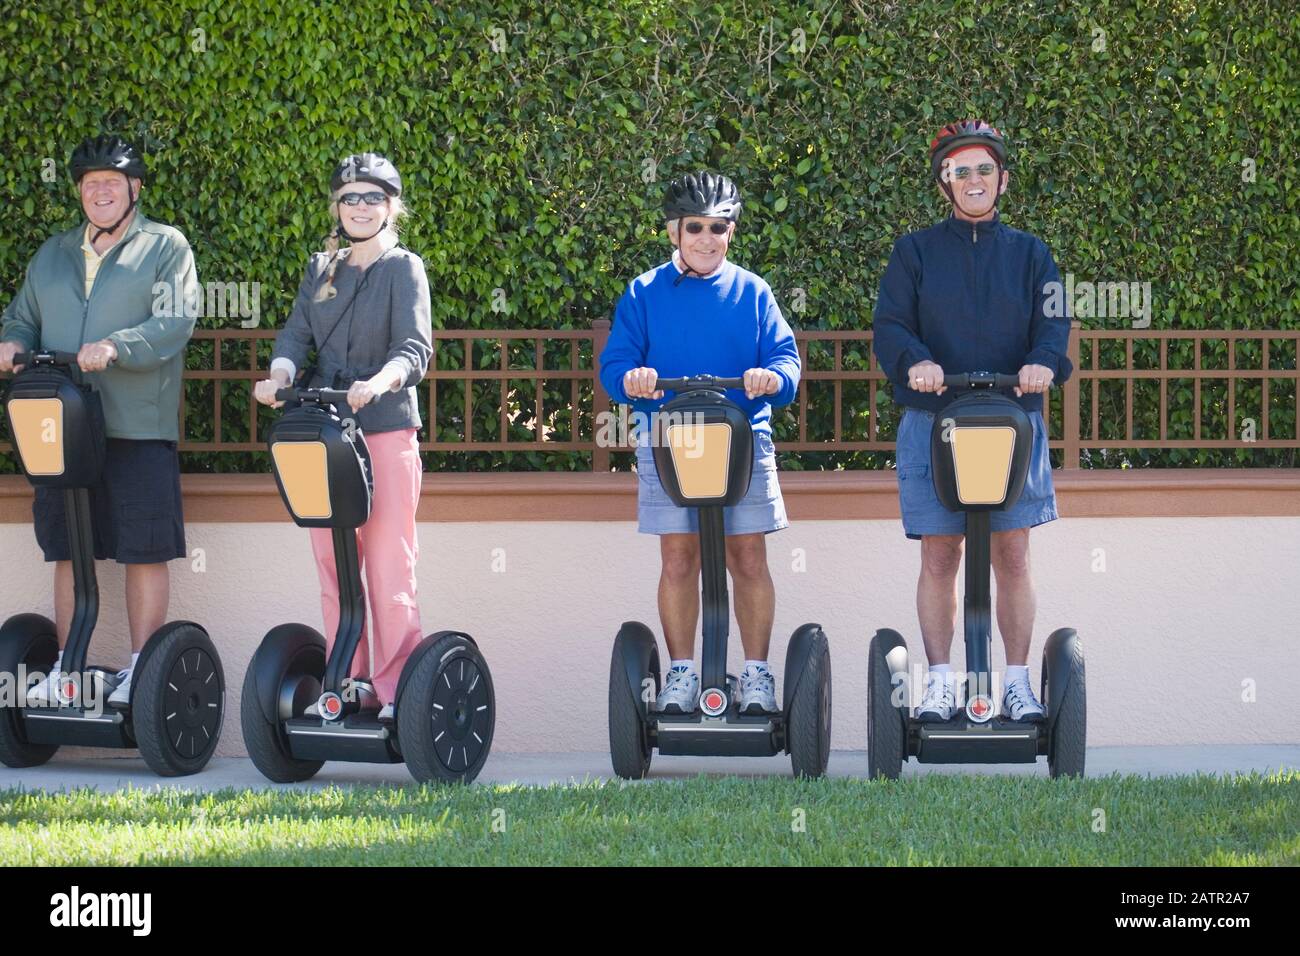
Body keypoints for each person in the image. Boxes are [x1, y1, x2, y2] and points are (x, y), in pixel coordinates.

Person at [872, 120, 1074, 722]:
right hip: (936, 420)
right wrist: (917, 363)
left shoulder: (1032, 254)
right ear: (945, 183)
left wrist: (1041, 363)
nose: (974, 179)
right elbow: (890, 327)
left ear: (1002, 179)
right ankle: (938, 680)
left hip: (1013, 422)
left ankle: (1015, 681)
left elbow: (1054, 323)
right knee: (940, 554)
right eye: (961, 170)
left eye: (984, 168)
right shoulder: (914, 252)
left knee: (1013, 554)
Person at [0, 134, 198, 707]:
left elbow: (175, 320)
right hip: (63, 427)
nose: (101, 191)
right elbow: (22, 317)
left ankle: (143, 670)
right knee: (67, 546)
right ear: (80, 194)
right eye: (91, 184)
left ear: (135, 189)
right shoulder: (54, 253)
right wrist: (12, 343)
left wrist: (116, 345)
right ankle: (69, 665)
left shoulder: (164, 247)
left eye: (112, 182)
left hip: (136, 424)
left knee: (144, 546)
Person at [599, 171, 801, 715]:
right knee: (679, 558)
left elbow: (787, 362)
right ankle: (684, 670)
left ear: (731, 232)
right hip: (669, 438)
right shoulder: (644, 292)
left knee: (749, 556)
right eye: (696, 228)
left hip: (743, 438)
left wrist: (772, 379)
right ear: (675, 232)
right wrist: (633, 380)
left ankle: (756, 674)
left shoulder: (753, 291)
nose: (707, 239)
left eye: (719, 227)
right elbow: (615, 365)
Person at [253, 153, 432, 723]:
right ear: (337, 206)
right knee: (333, 562)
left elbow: (415, 348)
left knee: (387, 565)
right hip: (326, 433)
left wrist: (380, 381)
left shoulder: (405, 268)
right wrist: (279, 375)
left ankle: (398, 688)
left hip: (384, 429)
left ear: (391, 206)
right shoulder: (322, 269)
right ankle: (348, 681)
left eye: (372, 197)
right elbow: (295, 334)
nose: (360, 206)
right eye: (350, 197)